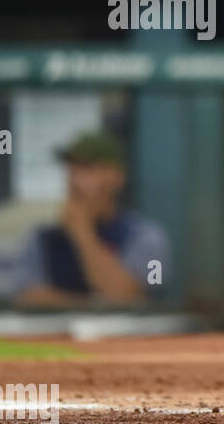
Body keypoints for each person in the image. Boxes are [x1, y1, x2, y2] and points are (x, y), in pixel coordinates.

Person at [13, 132, 170, 309]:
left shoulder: (145, 235)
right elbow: (29, 298)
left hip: (124, 335)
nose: (75, 180)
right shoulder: (43, 238)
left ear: (116, 177)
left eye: (87, 170)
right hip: (55, 335)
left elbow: (127, 297)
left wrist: (83, 233)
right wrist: (92, 304)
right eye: (72, 170)